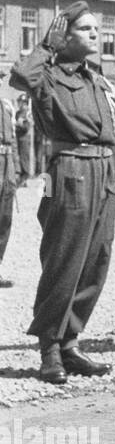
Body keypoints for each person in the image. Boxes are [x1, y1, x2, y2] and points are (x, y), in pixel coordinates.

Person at [10, 3, 115, 384]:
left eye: (96, 29)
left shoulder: (96, 77)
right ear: (64, 36)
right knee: (64, 259)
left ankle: (70, 342)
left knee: (96, 260)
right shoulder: (49, 75)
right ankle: (50, 349)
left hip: (105, 171)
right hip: (70, 169)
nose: (95, 34)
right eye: (85, 29)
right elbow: (21, 77)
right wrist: (45, 46)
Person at [0, 81, 17, 288]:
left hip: (7, 164)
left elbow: (12, 140)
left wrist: (17, 168)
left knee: (4, 218)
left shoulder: (6, 105)